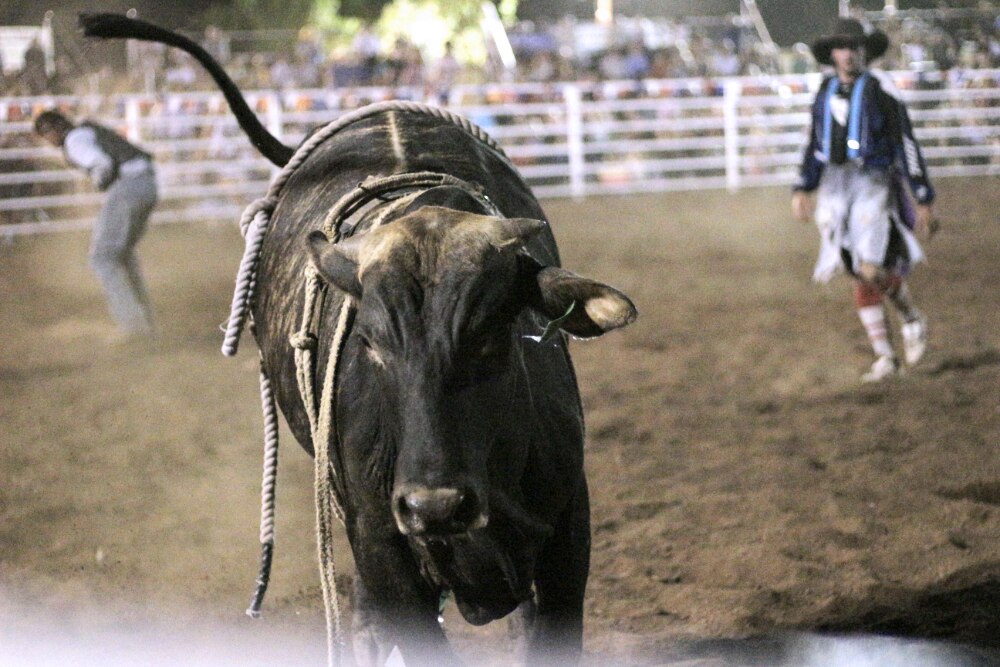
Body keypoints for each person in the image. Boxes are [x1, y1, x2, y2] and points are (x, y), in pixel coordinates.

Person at [792, 18, 937, 383]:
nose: (848, 53)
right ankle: (887, 357)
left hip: (873, 182)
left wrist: (922, 195)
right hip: (835, 186)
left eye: (854, 46)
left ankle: (910, 319)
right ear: (833, 53)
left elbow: (906, 143)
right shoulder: (825, 91)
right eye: (841, 46)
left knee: (869, 269)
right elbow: (815, 144)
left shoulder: (881, 91)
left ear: (863, 52)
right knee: (856, 271)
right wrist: (802, 186)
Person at [34, 110, 158, 339]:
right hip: (147, 183)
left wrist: (101, 184)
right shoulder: (87, 131)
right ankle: (143, 321)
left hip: (129, 186)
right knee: (121, 255)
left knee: (103, 258)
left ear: (54, 130)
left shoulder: (74, 140)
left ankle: (134, 327)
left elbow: (102, 164)